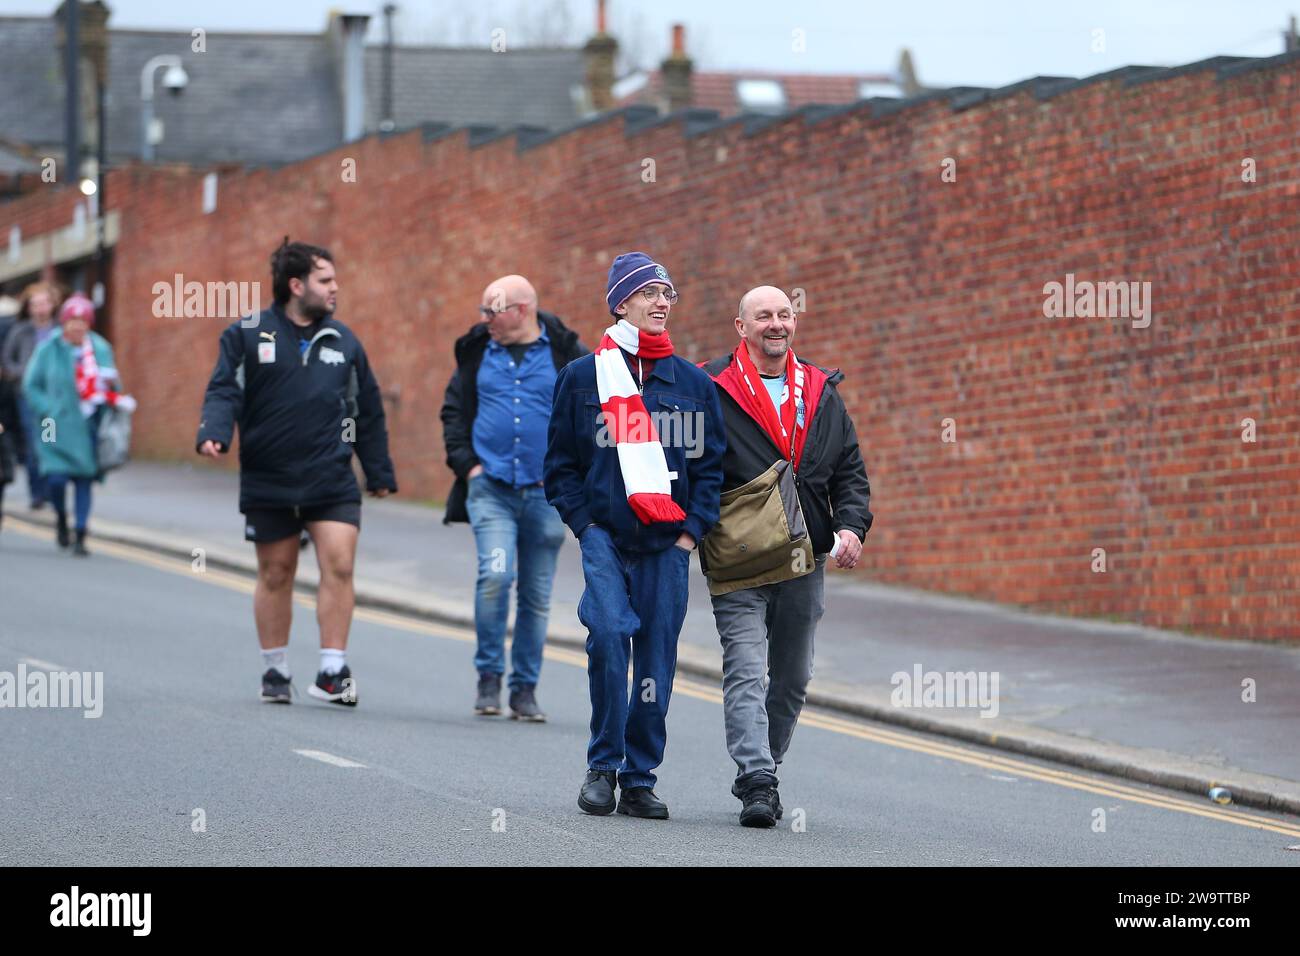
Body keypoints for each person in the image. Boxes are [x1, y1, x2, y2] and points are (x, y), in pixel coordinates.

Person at [545, 252, 724, 820]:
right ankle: (602, 765)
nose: (662, 302)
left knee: (656, 657)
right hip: (604, 537)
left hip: (667, 545)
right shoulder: (582, 378)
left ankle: (640, 777)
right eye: (649, 292)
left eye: (668, 292)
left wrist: (690, 535)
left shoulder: (691, 382)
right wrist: (585, 524)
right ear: (621, 303)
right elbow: (560, 466)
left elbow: (712, 468)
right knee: (606, 635)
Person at [196, 240, 397, 706]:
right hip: (270, 475)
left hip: (331, 476)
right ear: (296, 284)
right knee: (276, 572)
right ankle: (275, 669)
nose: (335, 287)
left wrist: (379, 470)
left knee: (341, 564)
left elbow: (367, 410)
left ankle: (332, 671)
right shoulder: (246, 334)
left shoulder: (345, 341)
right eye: (325, 280)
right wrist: (215, 432)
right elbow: (224, 389)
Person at [699, 286, 872, 827]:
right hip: (739, 555)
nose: (775, 323)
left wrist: (851, 526)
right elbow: (687, 463)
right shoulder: (711, 386)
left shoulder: (820, 389)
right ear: (741, 326)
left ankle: (765, 767)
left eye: (784, 314)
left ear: (793, 321)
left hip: (804, 556)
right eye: (763, 316)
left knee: (792, 675)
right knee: (746, 668)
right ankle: (757, 781)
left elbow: (849, 471)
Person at [440, 275, 588, 720]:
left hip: (546, 496)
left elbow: (590, 413)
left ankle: (524, 689)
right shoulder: (476, 352)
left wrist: (573, 474)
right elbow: (452, 411)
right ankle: (489, 675)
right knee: (497, 575)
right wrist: (469, 466)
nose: (484, 319)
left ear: (521, 310)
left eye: (492, 310)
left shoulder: (566, 354)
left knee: (537, 595)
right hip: (492, 491)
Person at [21, 294, 136, 556]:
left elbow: (112, 384)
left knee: (84, 479)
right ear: (64, 322)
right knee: (55, 477)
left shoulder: (100, 348)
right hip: (51, 423)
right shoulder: (48, 348)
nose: (77, 326)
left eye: (83, 321)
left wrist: (108, 388)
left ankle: (81, 533)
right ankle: (61, 519)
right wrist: (48, 409)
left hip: (88, 423)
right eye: (72, 321)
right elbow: (31, 385)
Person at [2, 281, 63, 510]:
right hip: (26, 396)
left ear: (53, 304)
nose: (40, 308)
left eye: (44, 303)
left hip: (52, 398)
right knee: (32, 442)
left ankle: (49, 492)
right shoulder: (21, 331)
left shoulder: (59, 330)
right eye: (35, 304)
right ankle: (37, 493)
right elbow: (8, 359)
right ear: (29, 307)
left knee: (49, 441)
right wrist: (22, 374)